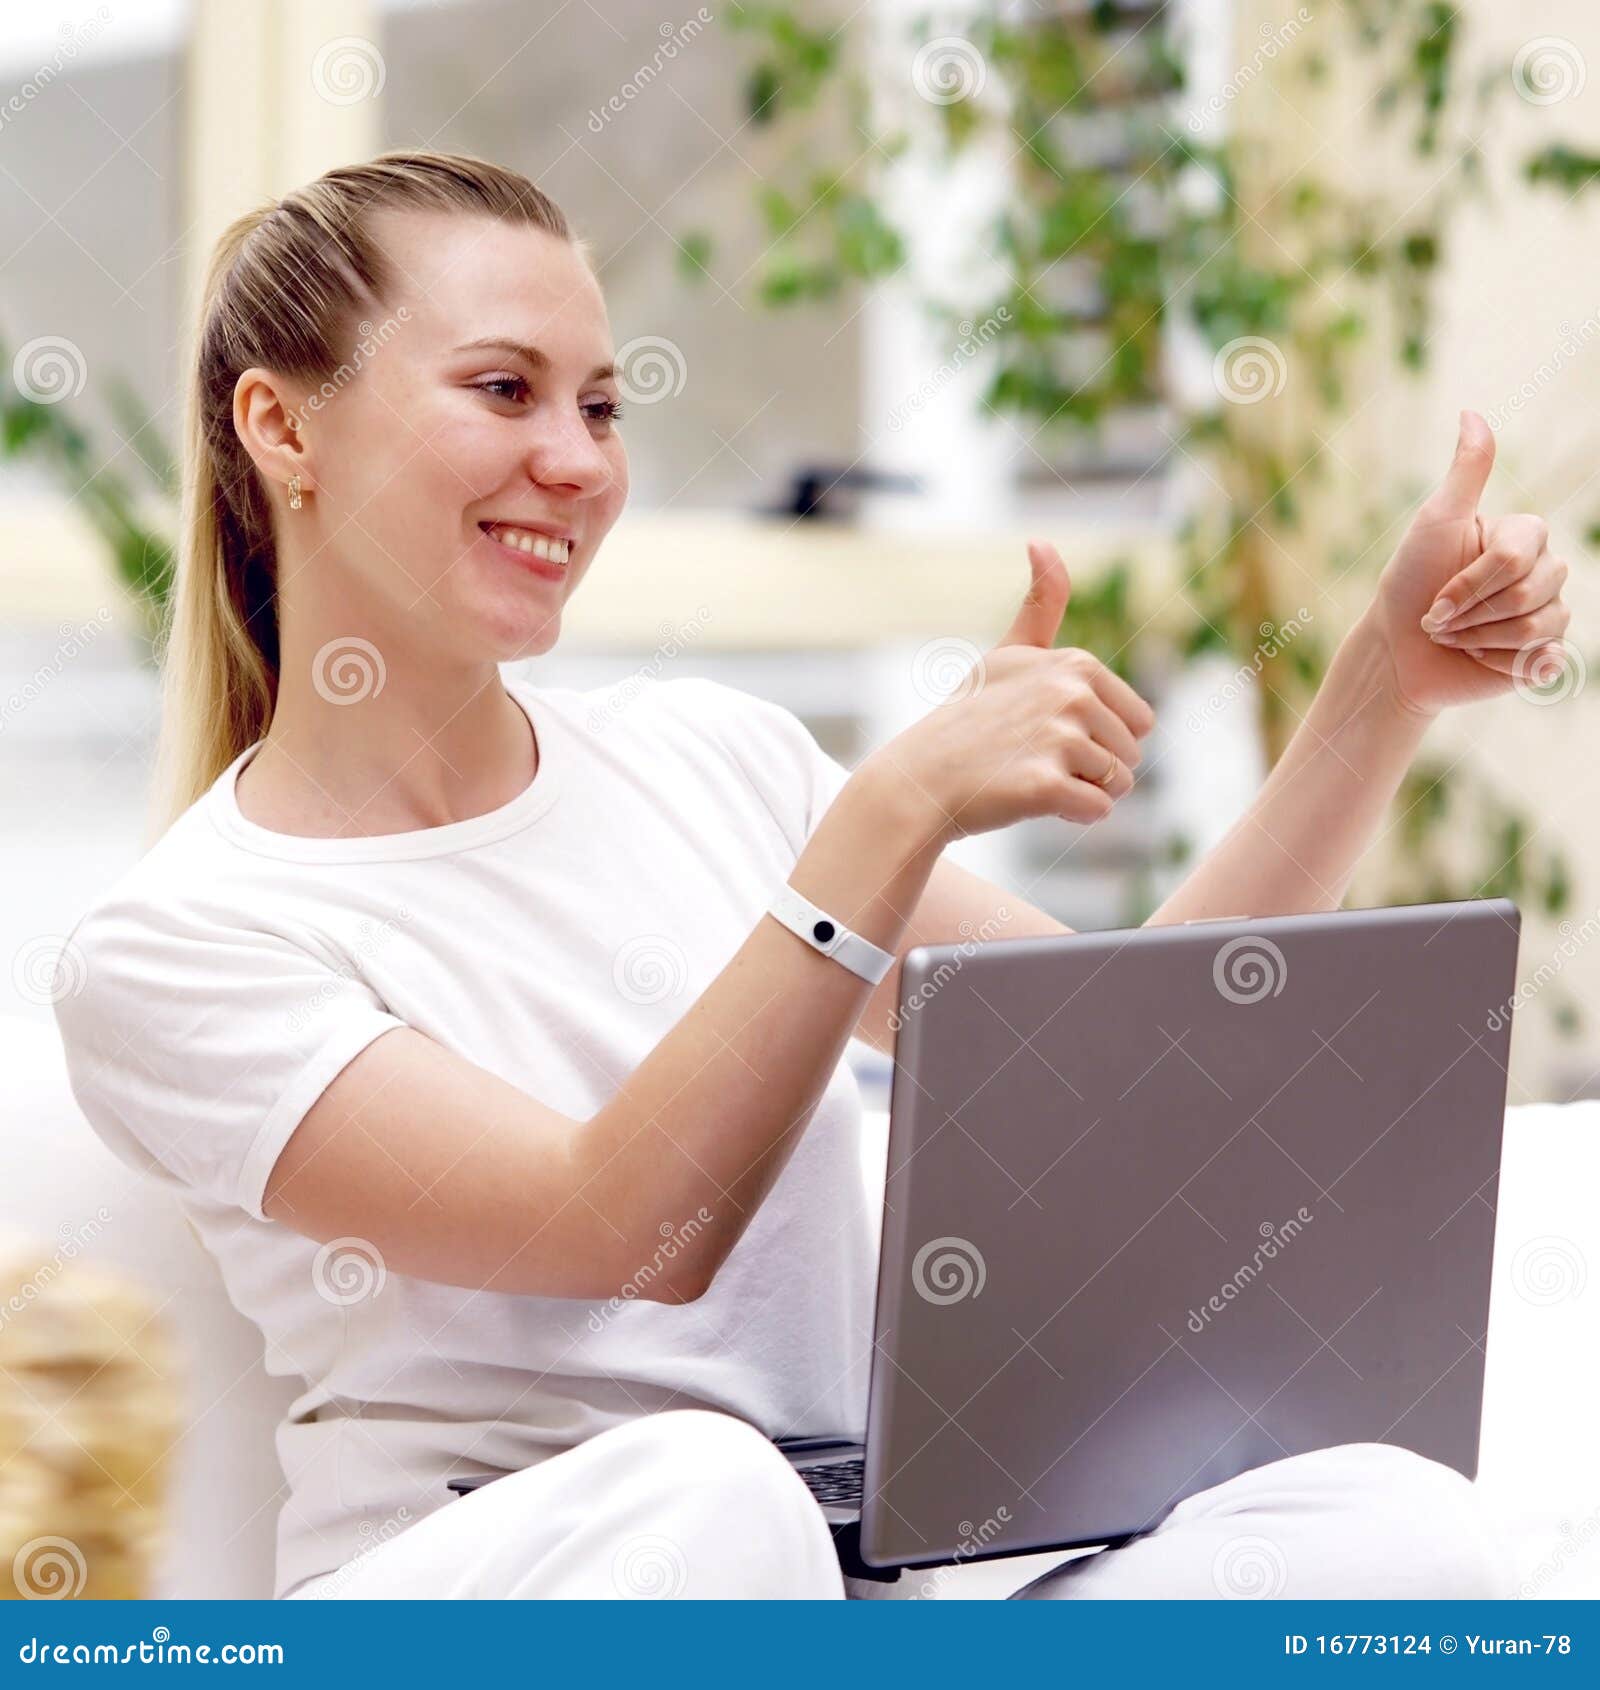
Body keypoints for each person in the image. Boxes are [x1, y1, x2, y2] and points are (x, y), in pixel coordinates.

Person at [51, 149, 1567, 1601]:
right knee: (711, 1501)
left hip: (844, 1589)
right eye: (504, 389)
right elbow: (613, 1228)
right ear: (285, 427)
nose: (575, 464)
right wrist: (896, 806)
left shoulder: (714, 757)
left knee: (1399, 1532)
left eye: (602, 405)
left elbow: (1141, 1077)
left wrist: (1383, 681)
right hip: (533, 1589)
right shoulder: (180, 945)